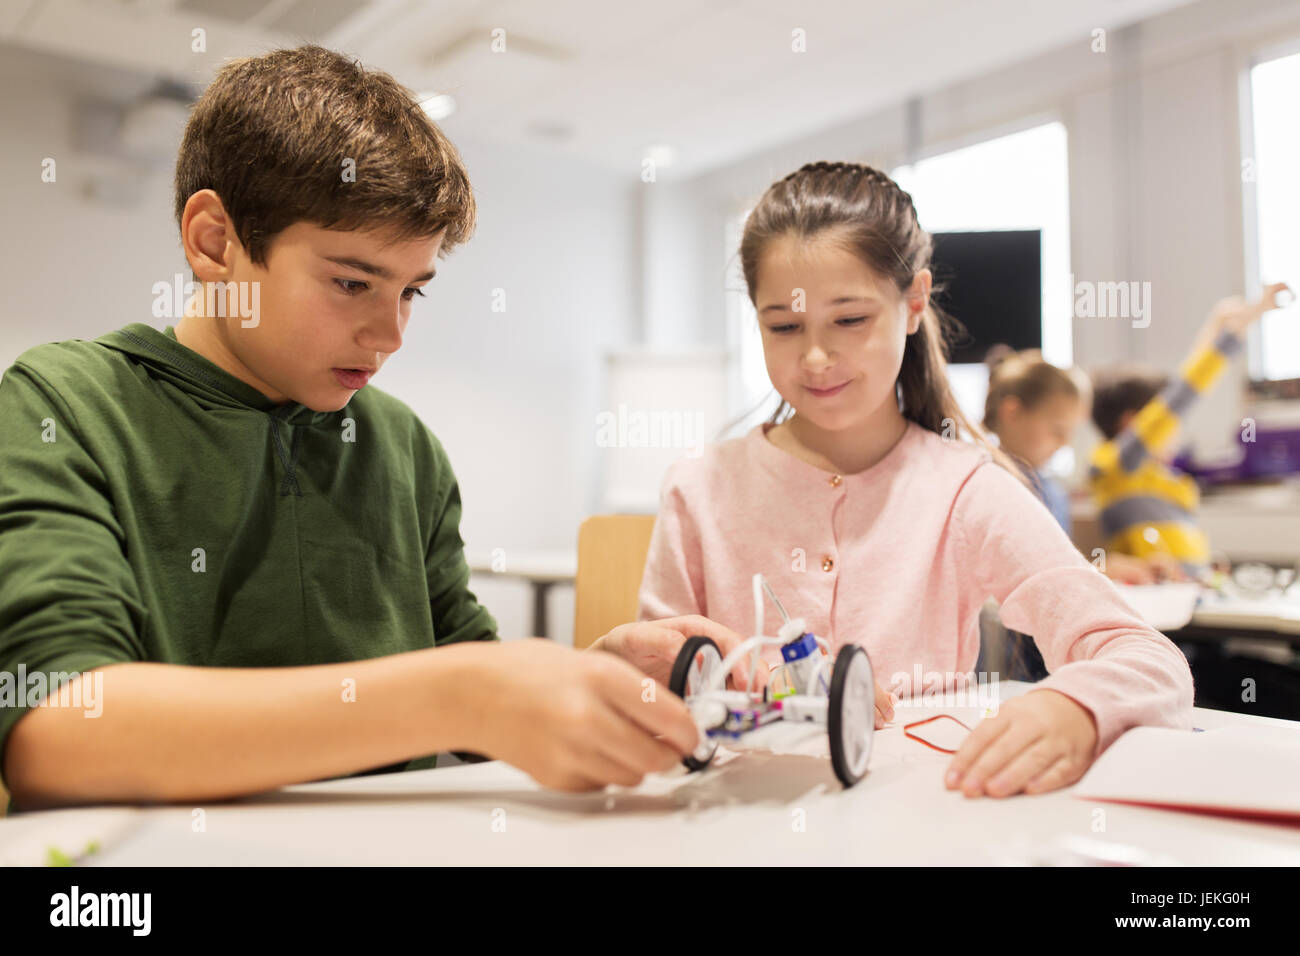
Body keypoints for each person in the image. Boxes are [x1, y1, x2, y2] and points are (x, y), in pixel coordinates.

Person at [0, 45, 755, 812]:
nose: (389, 334)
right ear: (214, 242)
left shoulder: (400, 445)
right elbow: (57, 734)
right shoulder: (68, 405)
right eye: (352, 283)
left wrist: (591, 681)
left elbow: (466, 701)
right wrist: (463, 695)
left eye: (411, 293)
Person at [638, 160, 1195, 798]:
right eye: (783, 327)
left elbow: (1147, 659)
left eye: (850, 320)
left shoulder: (965, 488)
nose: (815, 358)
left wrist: (1076, 708)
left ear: (913, 302)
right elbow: (652, 684)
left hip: (919, 820)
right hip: (732, 820)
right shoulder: (700, 488)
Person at [1087, 283, 1291, 579]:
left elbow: (1178, 392)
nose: (1177, 429)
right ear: (1133, 423)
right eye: (1170, 423)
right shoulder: (1117, 466)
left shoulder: (1163, 481)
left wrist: (1217, 327)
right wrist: (1235, 328)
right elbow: (1182, 395)